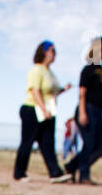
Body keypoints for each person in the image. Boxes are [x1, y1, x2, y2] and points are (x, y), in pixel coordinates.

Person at [12, 41, 72, 182]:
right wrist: (43, 109)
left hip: (48, 112)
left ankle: (55, 173)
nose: (54, 54)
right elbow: (35, 91)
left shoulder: (50, 73)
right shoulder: (36, 70)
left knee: (48, 143)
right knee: (28, 142)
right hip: (33, 109)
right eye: (51, 50)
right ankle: (19, 173)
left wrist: (64, 89)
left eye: (55, 51)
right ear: (43, 52)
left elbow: (52, 93)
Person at [63, 37, 102, 183]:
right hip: (87, 109)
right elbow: (82, 93)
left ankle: (71, 166)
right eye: (101, 50)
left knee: (96, 144)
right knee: (89, 143)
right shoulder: (88, 69)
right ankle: (84, 176)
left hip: (98, 111)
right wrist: (82, 112)